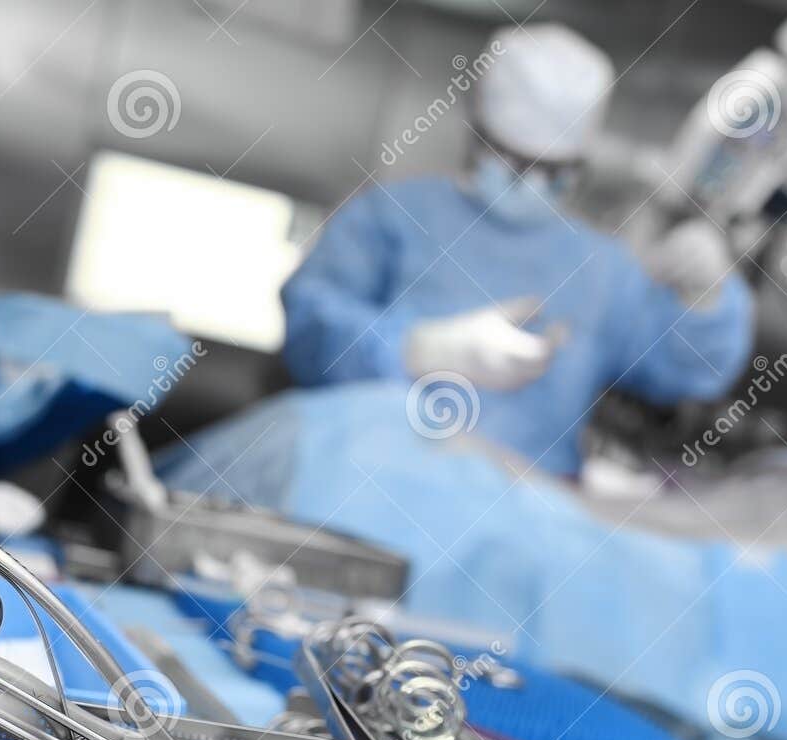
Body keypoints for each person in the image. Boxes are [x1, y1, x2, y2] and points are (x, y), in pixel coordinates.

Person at [279, 23, 754, 476]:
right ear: (475, 134)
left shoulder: (600, 269)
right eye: (510, 159)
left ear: (580, 168)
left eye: (552, 171)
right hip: (368, 479)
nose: (527, 182)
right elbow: (308, 328)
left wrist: (707, 297)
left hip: (519, 523)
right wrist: (417, 348)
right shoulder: (392, 217)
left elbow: (687, 373)